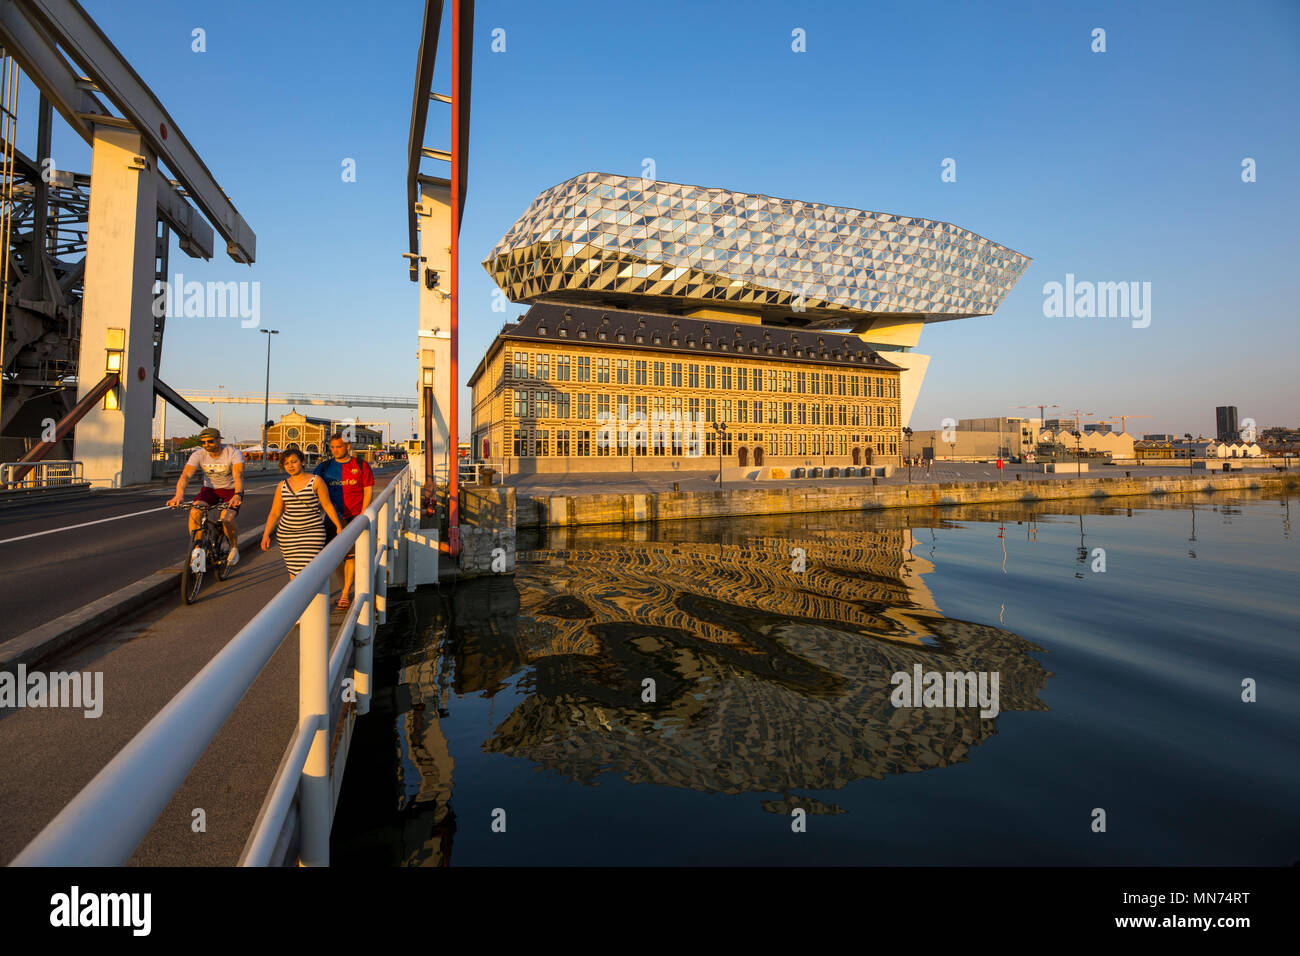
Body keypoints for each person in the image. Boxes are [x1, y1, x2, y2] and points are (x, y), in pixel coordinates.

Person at [167, 427, 244, 567]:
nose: (207, 445)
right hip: (210, 489)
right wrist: (178, 495)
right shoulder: (199, 454)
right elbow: (185, 475)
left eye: (210, 441)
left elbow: (238, 475)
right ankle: (197, 552)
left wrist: (238, 495)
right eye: (203, 442)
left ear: (219, 440)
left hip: (231, 490)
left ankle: (233, 547)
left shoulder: (234, 453)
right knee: (195, 512)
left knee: (227, 518)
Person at [261, 449, 343, 579]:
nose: (290, 466)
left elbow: (327, 505)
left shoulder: (316, 481)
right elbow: (275, 513)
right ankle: (298, 598)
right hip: (287, 535)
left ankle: (312, 598)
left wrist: (338, 525)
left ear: (303, 462)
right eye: (287, 463)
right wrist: (266, 534)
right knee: (294, 572)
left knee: (311, 571)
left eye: (294, 462)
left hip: (312, 533)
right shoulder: (282, 485)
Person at [314, 433, 374, 608]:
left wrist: (362, 517)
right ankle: (343, 587)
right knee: (335, 556)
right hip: (332, 517)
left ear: (348, 446)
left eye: (338, 446)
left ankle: (346, 591)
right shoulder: (324, 467)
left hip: (354, 516)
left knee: (351, 555)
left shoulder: (361, 465)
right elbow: (313, 488)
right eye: (332, 447)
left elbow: (368, 491)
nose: (334, 450)